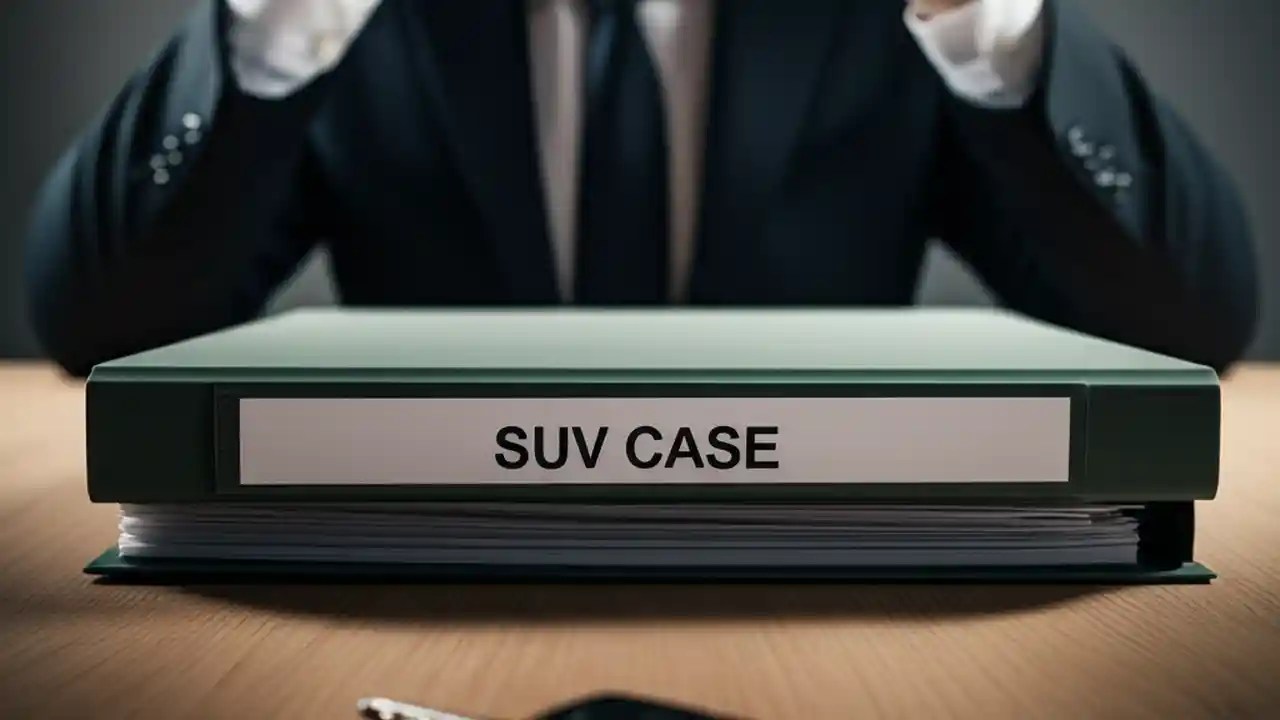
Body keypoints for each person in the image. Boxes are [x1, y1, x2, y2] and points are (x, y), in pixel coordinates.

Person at [24, 0, 1258, 377]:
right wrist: (273, 26)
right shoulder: (365, 25)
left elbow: (1180, 322)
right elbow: (100, 324)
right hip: (412, 593)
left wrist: (990, 22)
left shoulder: (894, 24)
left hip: (829, 599)